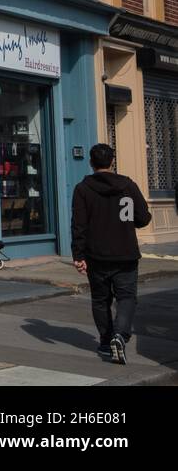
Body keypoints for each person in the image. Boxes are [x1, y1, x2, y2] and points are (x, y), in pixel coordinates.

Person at [71, 143, 151, 365]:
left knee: (100, 299)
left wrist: (78, 255)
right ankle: (120, 335)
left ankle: (106, 342)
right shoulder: (128, 185)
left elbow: (78, 225)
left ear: (91, 162)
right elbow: (144, 218)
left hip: (96, 255)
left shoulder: (82, 189)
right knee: (126, 297)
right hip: (126, 253)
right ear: (112, 162)